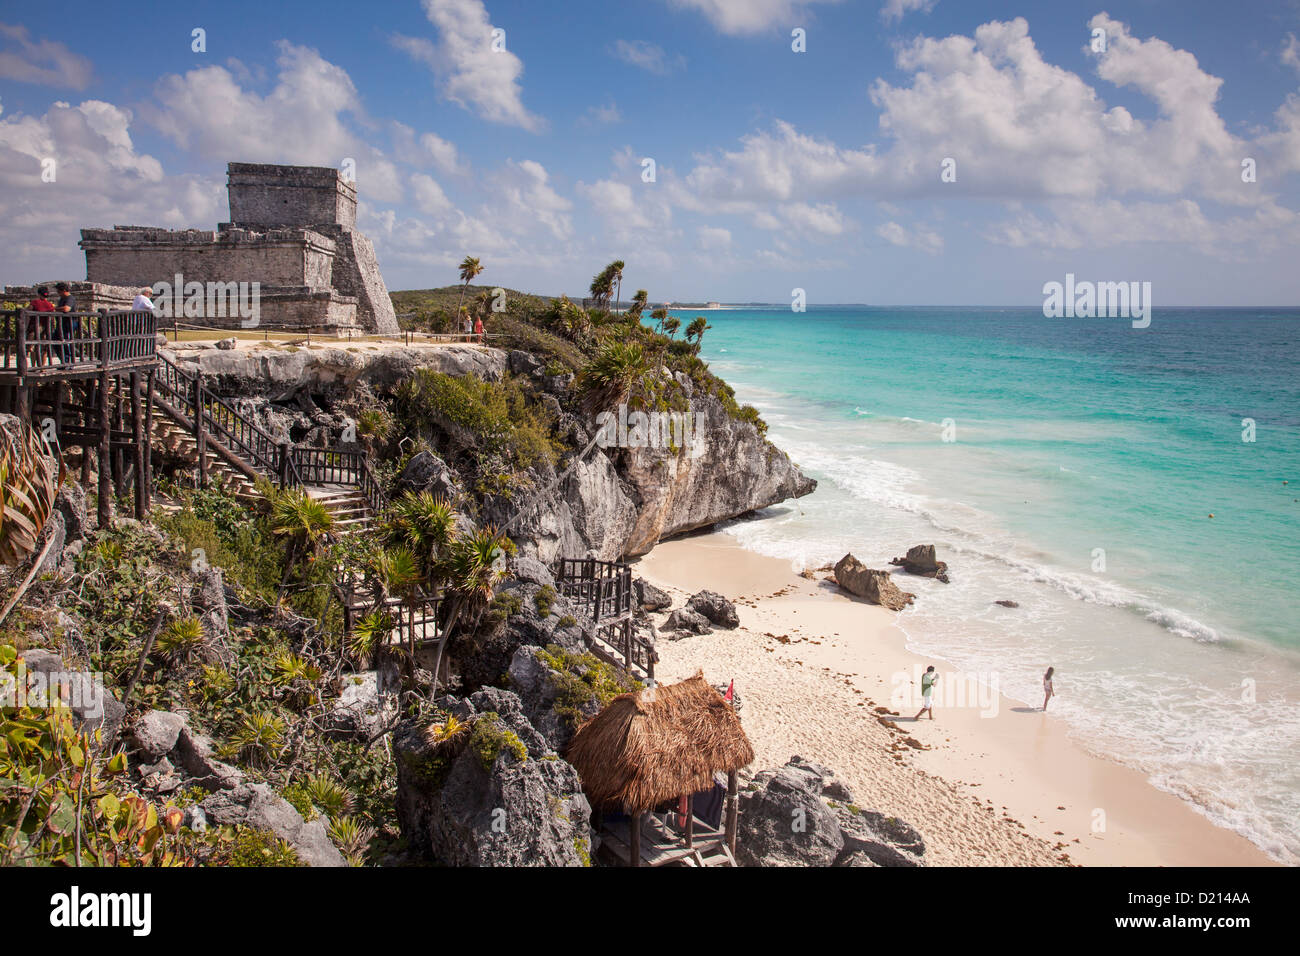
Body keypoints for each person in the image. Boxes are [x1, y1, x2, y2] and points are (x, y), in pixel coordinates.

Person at [54, 281, 76, 364]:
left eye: (58, 291)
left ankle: (69, 362)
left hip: (69, 324)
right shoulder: (62, 299)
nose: (58, 293)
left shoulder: (70, 298)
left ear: (63, 290)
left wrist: (55, 308)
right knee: (55, 340)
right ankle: (64, 361)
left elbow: (67, 309)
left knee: (67, 342)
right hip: (61, 324)